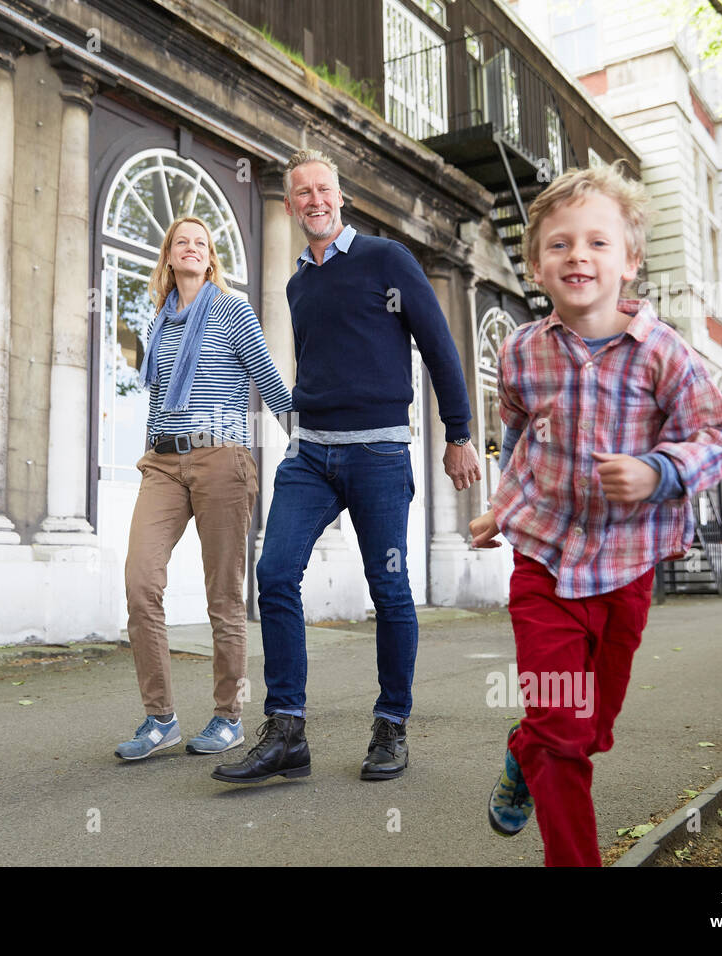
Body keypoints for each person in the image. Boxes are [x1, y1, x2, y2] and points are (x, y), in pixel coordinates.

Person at [469, 161, 722, 865]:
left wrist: (659, 471)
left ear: (630, 261)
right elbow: (521, 435)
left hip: (627, 571)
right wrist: (503, 505)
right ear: (534, 264)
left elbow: (718, 436)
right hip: (544, 563)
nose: (578, 256)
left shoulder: (664, 355)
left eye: (597, 243)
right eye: (559, 244)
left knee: (591, 729)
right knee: (565, 730)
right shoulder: (522, 352)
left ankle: (522, 750)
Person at [211, 149, 482, 785]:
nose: (314, 200)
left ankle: (391, 724)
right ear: (290, 205)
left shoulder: (387, 261)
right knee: (275, 572)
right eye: (301, 192)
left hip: (380, 452)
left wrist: (460, 434)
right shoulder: (297, 283)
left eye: (323, 189)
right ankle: (286, 731)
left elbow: (439, 347)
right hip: (310, 454)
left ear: (341, 196)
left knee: (389, 590)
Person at [114, 216, 293, 761]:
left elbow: (270, 384)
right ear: (168, 256)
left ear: (209, 258)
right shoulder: (160, 323)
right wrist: (150, 450)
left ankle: (228, 717)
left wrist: (312, 452)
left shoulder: (232, 310)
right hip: (164, 463)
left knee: (224, 596)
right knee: (141, 583)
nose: (190, 249)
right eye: (180, 242)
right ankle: (159, 716)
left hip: (221, 459)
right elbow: (156, 395)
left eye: (201, 243)